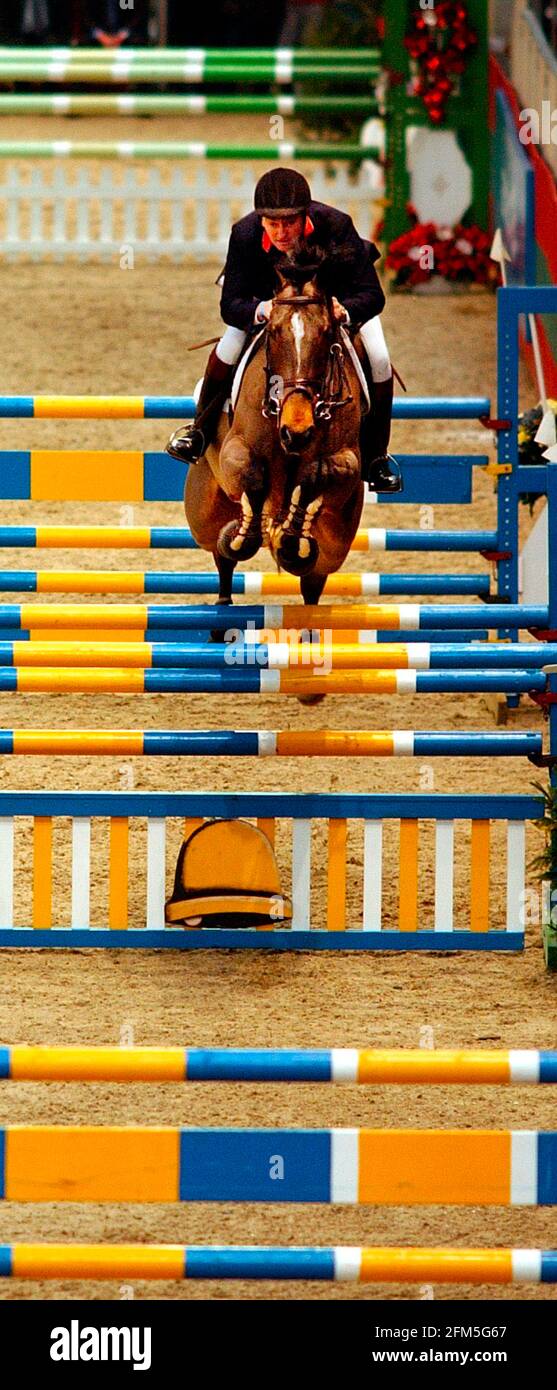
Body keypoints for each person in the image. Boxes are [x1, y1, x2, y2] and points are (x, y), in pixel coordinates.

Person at [169, 167, 401, 493]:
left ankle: (377, 457)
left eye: (289, 223)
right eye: (273, 224)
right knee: (230, 344)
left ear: (305, 217)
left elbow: (373, 296)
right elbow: (230, 304)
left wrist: (343, 310)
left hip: (334, 308)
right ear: (261, 219)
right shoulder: (246, 233)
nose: (280, 232)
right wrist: (261, 309)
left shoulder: (336, 226)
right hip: (273, 310)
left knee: (378, 356)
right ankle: (200, 431)